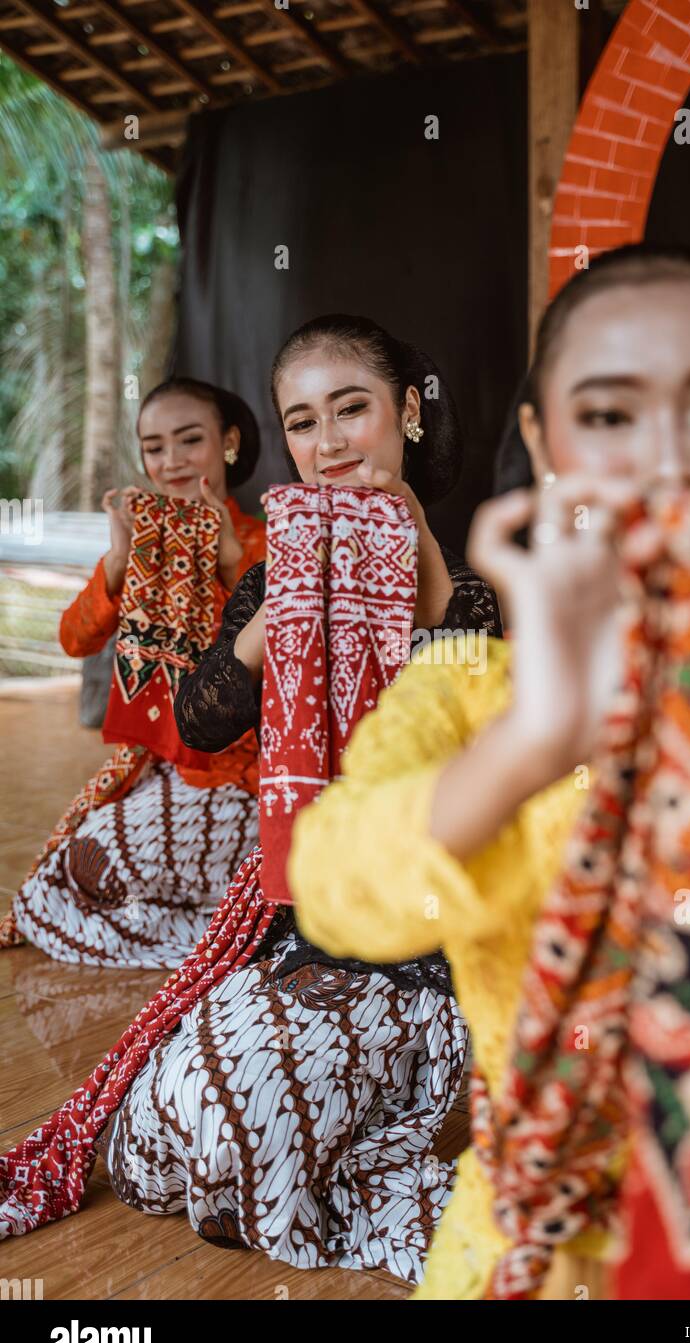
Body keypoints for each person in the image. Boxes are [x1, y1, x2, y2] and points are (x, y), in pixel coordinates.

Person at [286, 246, 690, 1300]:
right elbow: (334, 891)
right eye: (607, 416)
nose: (668, 462)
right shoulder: (471, 684)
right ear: (543, 442)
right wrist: (537, 740)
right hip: (540, 1249)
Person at [101, 317, 501, 1283]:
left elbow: (474, 726)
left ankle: (398, 1129)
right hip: (299, 928)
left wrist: (414, 556)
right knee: (150, 1141)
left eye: (352, 409)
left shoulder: (479, 588)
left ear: (406, 411)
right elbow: (199, 722)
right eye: (303, 421)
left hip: (424, 955)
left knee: (251, 1144)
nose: (328, 444)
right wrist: (282, 607)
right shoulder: (276, 575)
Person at [4, 378, 266, 969]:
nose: (170, 461)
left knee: (88, 871)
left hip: (244, 776)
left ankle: (239, 933)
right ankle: (224, 932)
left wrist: (229, 562)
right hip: (164, 770)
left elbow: (286, 670)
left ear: (228, 443)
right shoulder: (146, 548)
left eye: (189, 440)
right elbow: (75, 638)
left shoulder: (269, 543)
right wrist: (121, 561)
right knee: (55, 883)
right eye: (154, 446)